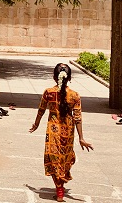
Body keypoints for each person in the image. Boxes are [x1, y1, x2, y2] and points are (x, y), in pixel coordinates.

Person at [28, 63, 94, 202]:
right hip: (68, 131)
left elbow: (41, 110)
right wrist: (81, 137)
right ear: (69, 78)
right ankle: (60, 188)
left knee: (53, 158)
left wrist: (36, 124)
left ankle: (59, 190)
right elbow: (77, 117)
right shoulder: (75, 95)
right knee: (64, 159)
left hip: (53, 130)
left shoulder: (48, 92)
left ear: (54, 77)